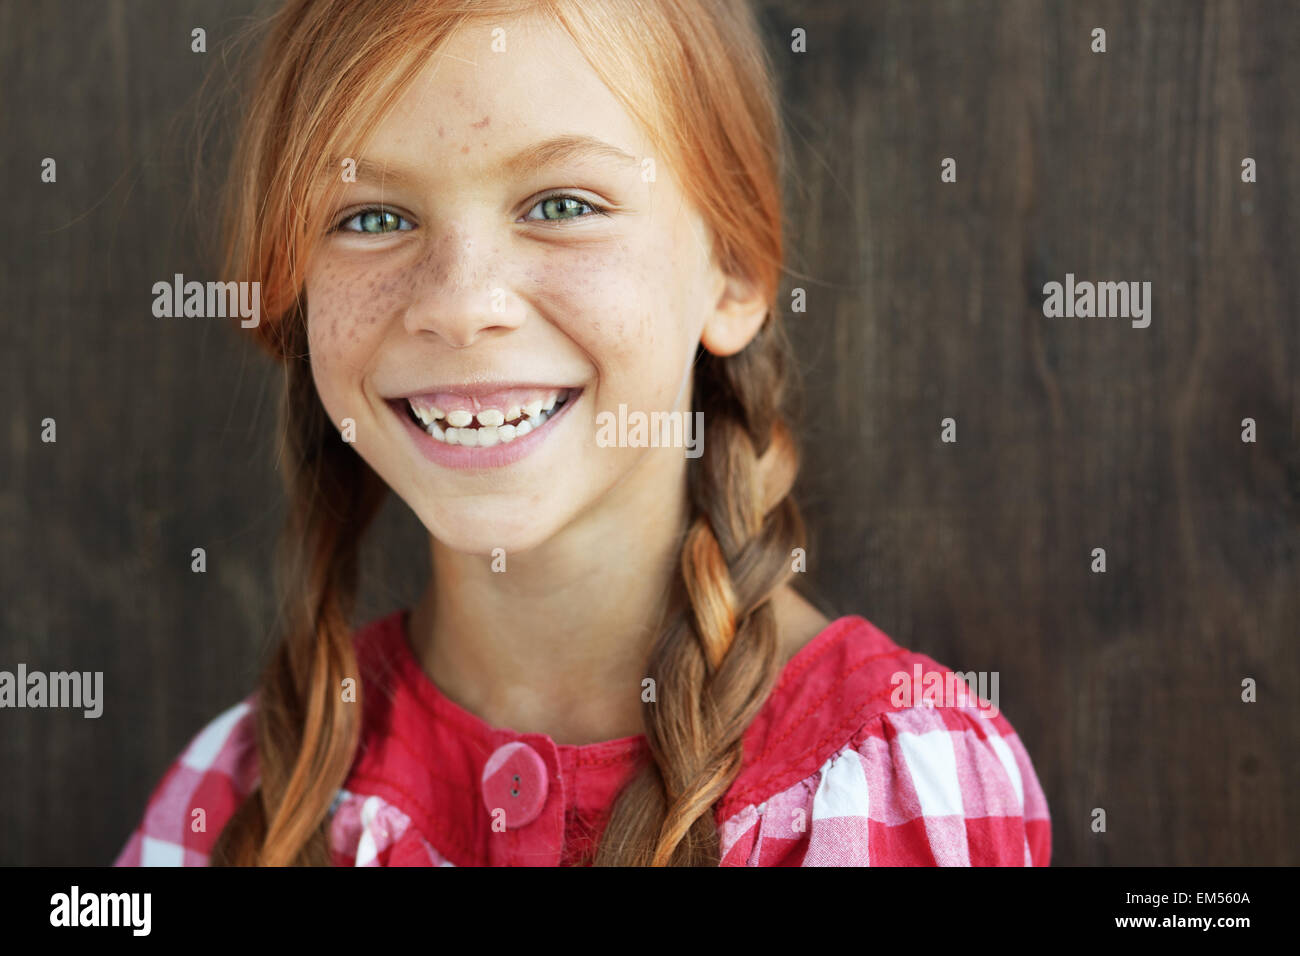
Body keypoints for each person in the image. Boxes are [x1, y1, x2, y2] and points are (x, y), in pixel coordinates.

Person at [114, 0, 1050, 867]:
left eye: (563, 204)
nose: (461, 304)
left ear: (732, 273)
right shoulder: (241, 800)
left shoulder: (893, 793)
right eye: (371, 217)